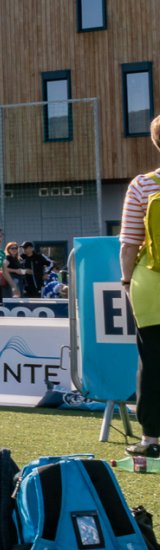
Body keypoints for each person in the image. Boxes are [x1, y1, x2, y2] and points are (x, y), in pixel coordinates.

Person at [118, 114, 160, 457]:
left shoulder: (143, 185)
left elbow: (129, 243)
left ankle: (151, 440)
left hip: (151, 285)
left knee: (153, 359)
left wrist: (127, 280)